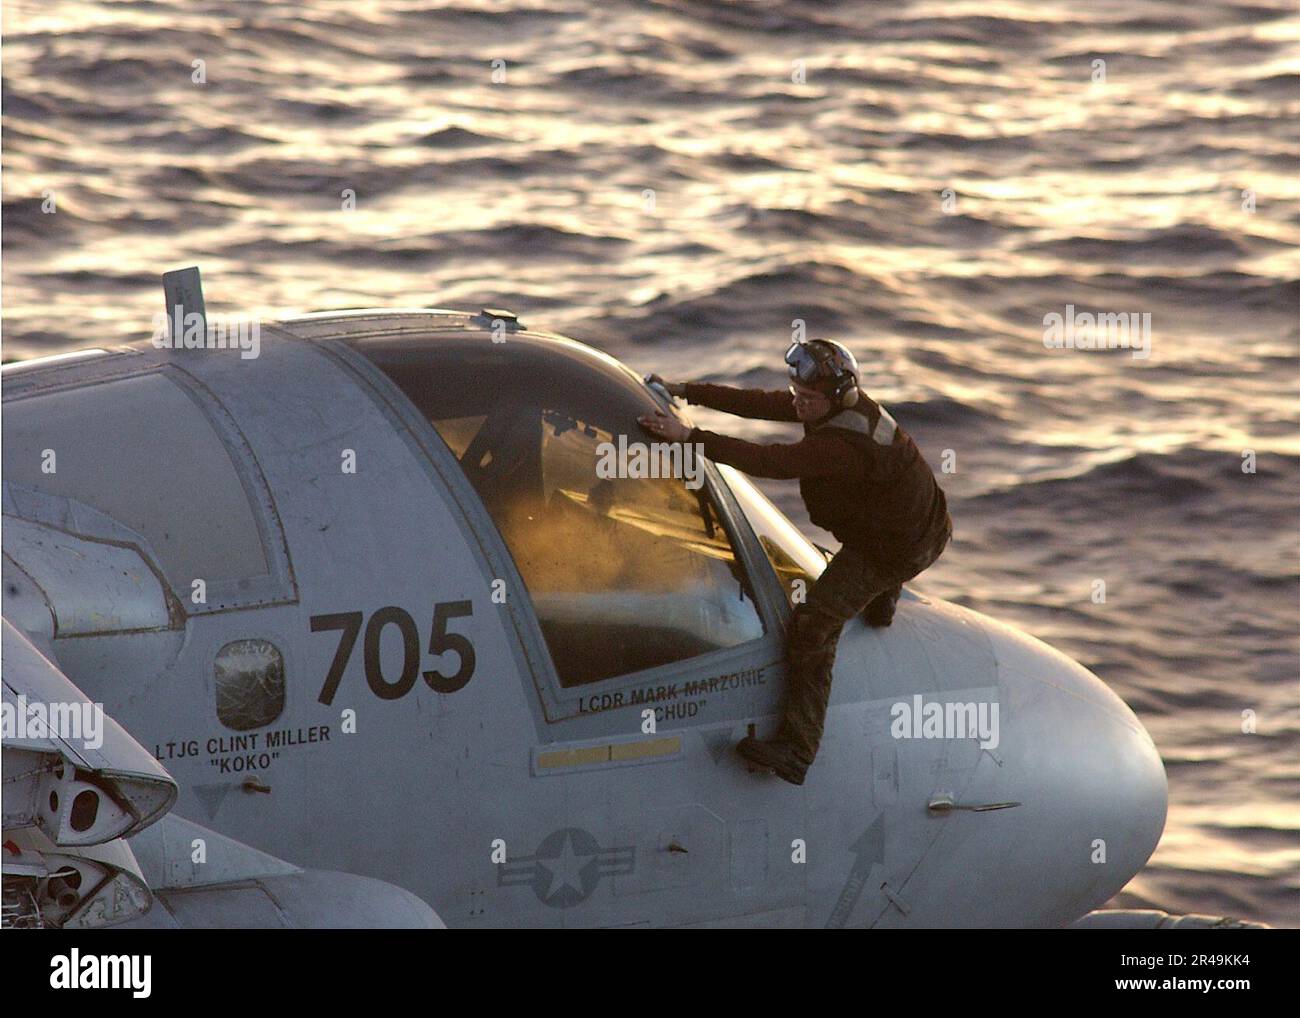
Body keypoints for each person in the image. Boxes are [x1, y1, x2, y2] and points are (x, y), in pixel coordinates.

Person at [638, 339, 952, 785]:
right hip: (919, 525)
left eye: (807, 399)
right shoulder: (838, 408)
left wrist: (690, 438)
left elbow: (770, 460)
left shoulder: (840, 446)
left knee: (811, 629)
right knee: (869, 563)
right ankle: (882, 603)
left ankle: (797, 749)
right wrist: (687, 389)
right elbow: (763, 404)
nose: (798, 406)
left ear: (832, 398)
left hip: (894, 550)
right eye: (798, 396)